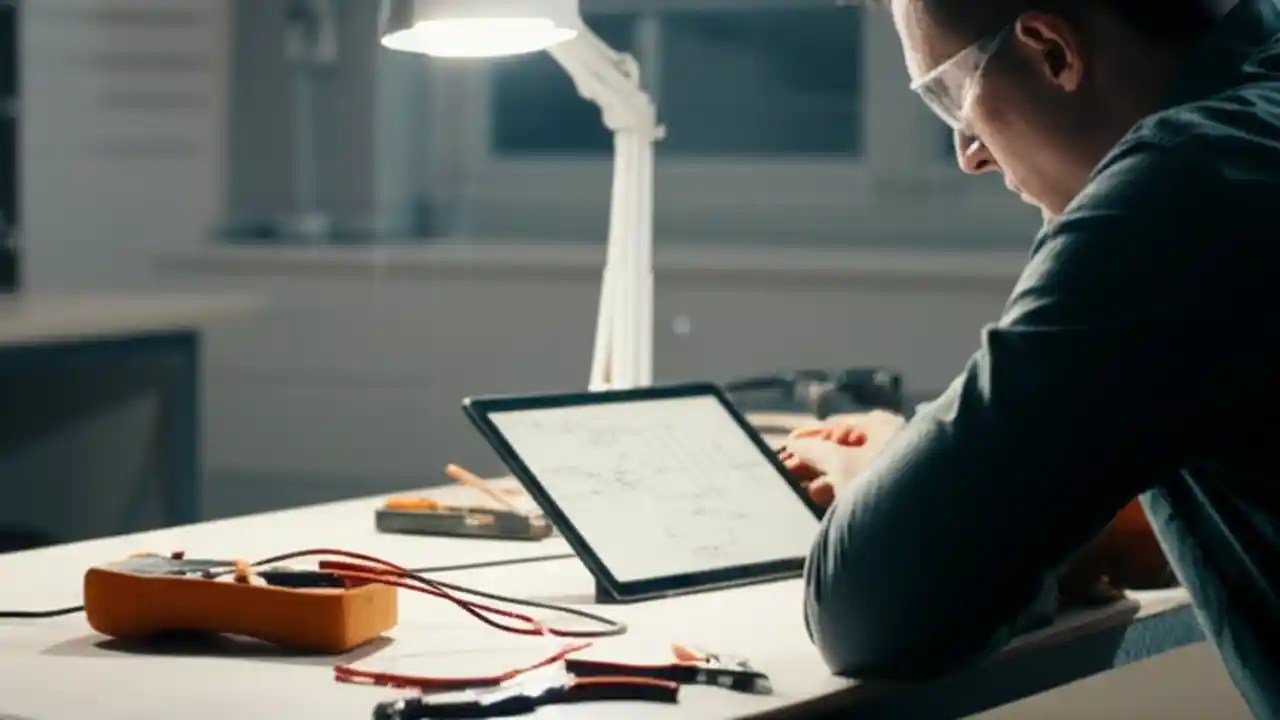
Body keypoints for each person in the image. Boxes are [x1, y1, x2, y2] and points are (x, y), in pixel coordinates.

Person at [782, 0, 1280, 715]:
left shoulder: (1188, 182)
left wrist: (883, 473)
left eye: (952, 95)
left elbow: (873, 608)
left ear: (1052, 49)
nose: (970, 153)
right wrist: (1077, 528)